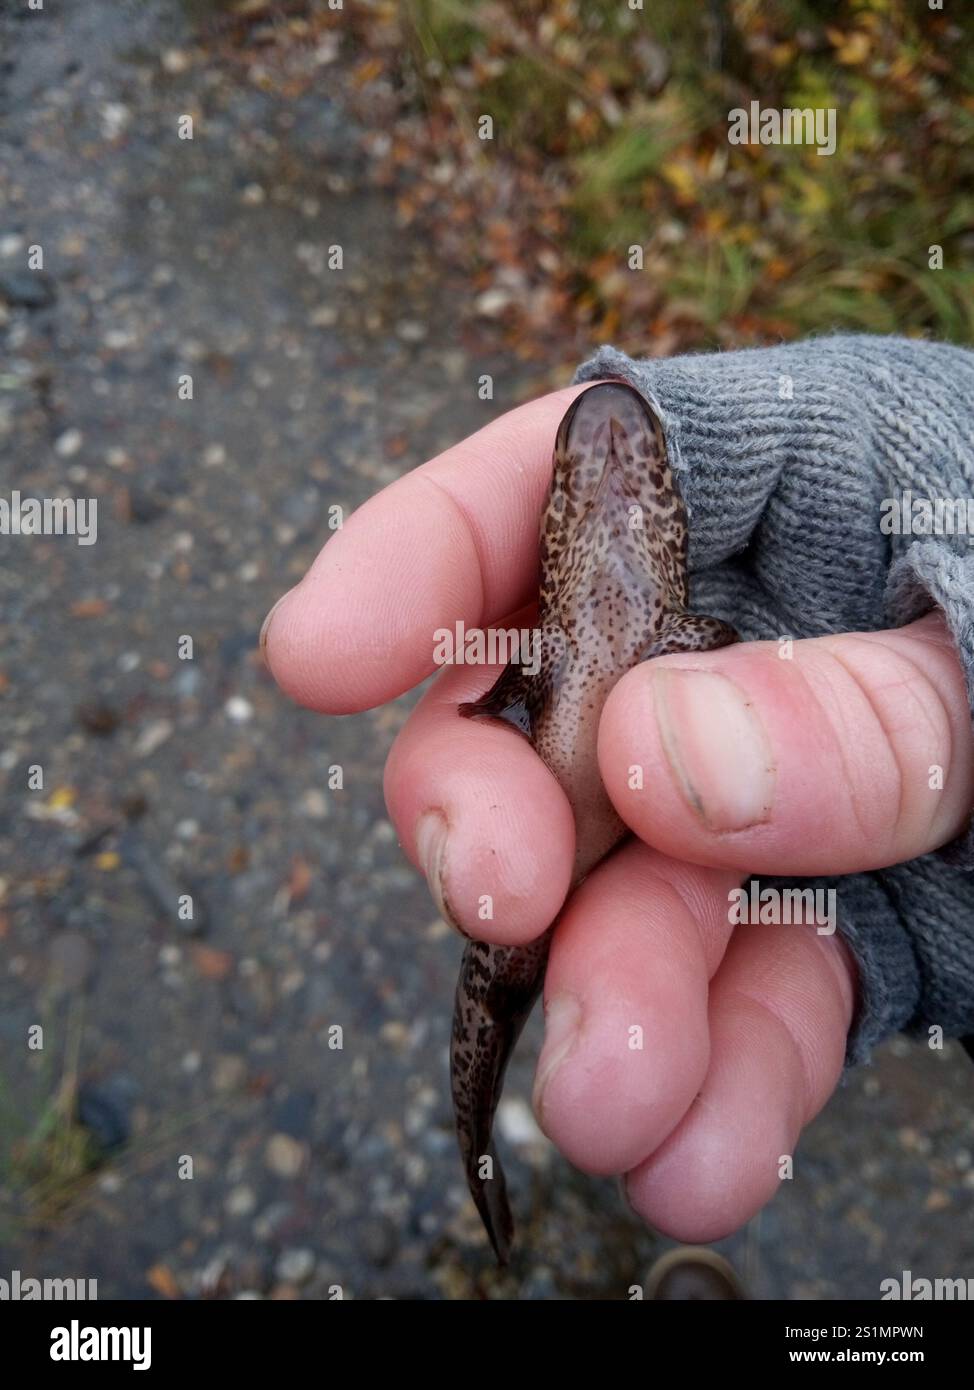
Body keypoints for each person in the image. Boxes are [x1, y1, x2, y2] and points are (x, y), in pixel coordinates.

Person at [261, 335, 974, 1251]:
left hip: (593, 847)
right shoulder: (630, 629)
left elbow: (546, 674)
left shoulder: (580, 635)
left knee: (530, 914)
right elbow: (662, 643)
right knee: (508, 947)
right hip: (572, 861)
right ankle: (483, 1160)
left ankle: (493, 1176)